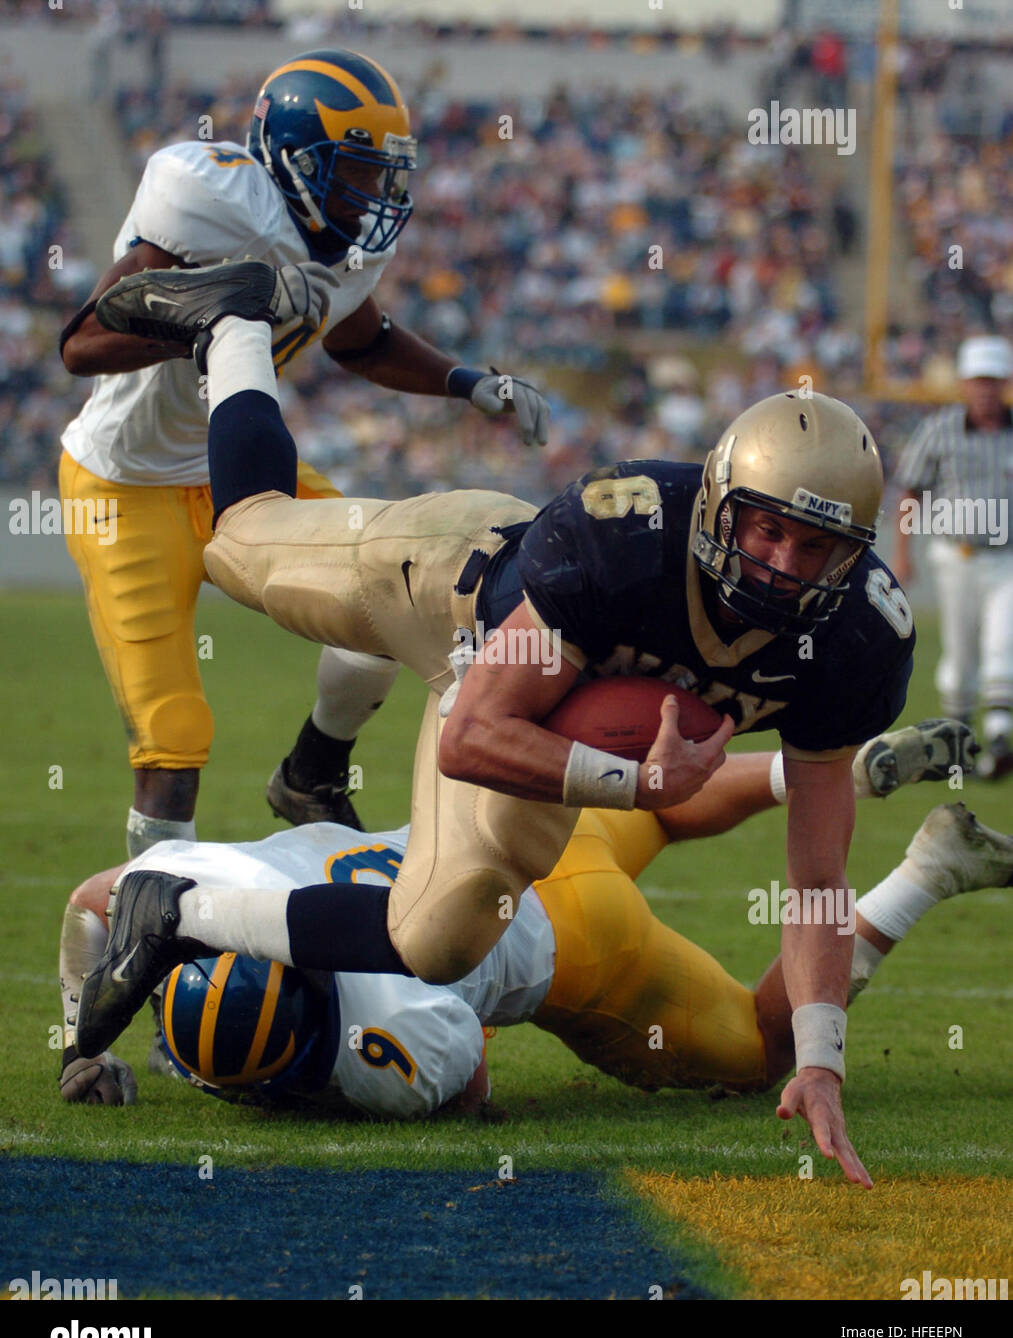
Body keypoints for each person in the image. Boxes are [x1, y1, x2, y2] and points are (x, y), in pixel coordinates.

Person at [77, 260, 922, 1185]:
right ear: (719, 505)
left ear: (854, 555)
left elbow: (816, 880)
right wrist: (639, 785)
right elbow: (471, 734)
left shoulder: (854, 644)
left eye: (814, 545)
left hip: (532, 697)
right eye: (764, 530)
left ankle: (184, 914)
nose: (780, 564)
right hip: (452, 595)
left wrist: (819, 1058)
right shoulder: (625, 542)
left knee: (438, 943)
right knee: (238, 539)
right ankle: (234, 324)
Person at [58, 47, 550, 867]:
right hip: (127, 483)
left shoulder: (344, 247)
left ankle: (312, 772)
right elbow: (82, 343)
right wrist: (223, 298)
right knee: (173, 741)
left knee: (394, 584)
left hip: (237, 478)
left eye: (384, 175)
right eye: (356, 172)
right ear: (292, 160)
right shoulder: (210, 203)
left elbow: (363, 341)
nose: (375, 196)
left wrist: (469, 382)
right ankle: (143, 931)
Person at [59, 746, 1008, 1122]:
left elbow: (467, 1077)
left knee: (762, 1050)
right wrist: (80, 1038)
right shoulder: (200, 891)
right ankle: (812, 772)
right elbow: (93, 904)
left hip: (579, 941)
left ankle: (927, 873)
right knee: (663, 805)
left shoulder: (375, 1038)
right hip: (512, 828)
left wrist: (83, 1038)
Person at [894, 335, 1013, 780]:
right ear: (965, 383)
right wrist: (903, 553)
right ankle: (958, 744)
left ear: (1005, 383)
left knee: (1004, 640)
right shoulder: (940, 428)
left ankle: (1000, 734)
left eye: (994, 380)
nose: (986, 389)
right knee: (961, 654)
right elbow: (910, 488)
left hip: (1007, 557)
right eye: (979, 380)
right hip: (955, 554)